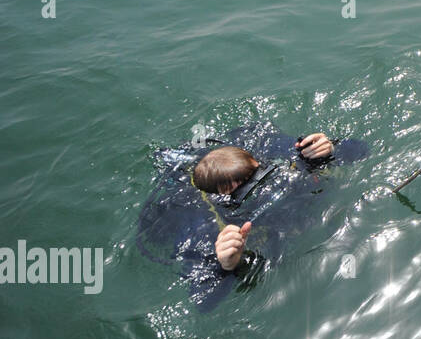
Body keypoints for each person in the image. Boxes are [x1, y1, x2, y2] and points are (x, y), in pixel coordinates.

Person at [137, 123, 368, 311]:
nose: (267, 187)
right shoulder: (201, 228)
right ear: (226, 199)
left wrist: (327, 151)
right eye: (249, 189)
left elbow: (361, 150)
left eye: (261, 174)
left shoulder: (269, 151)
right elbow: (203, 303)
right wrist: (227, 265)